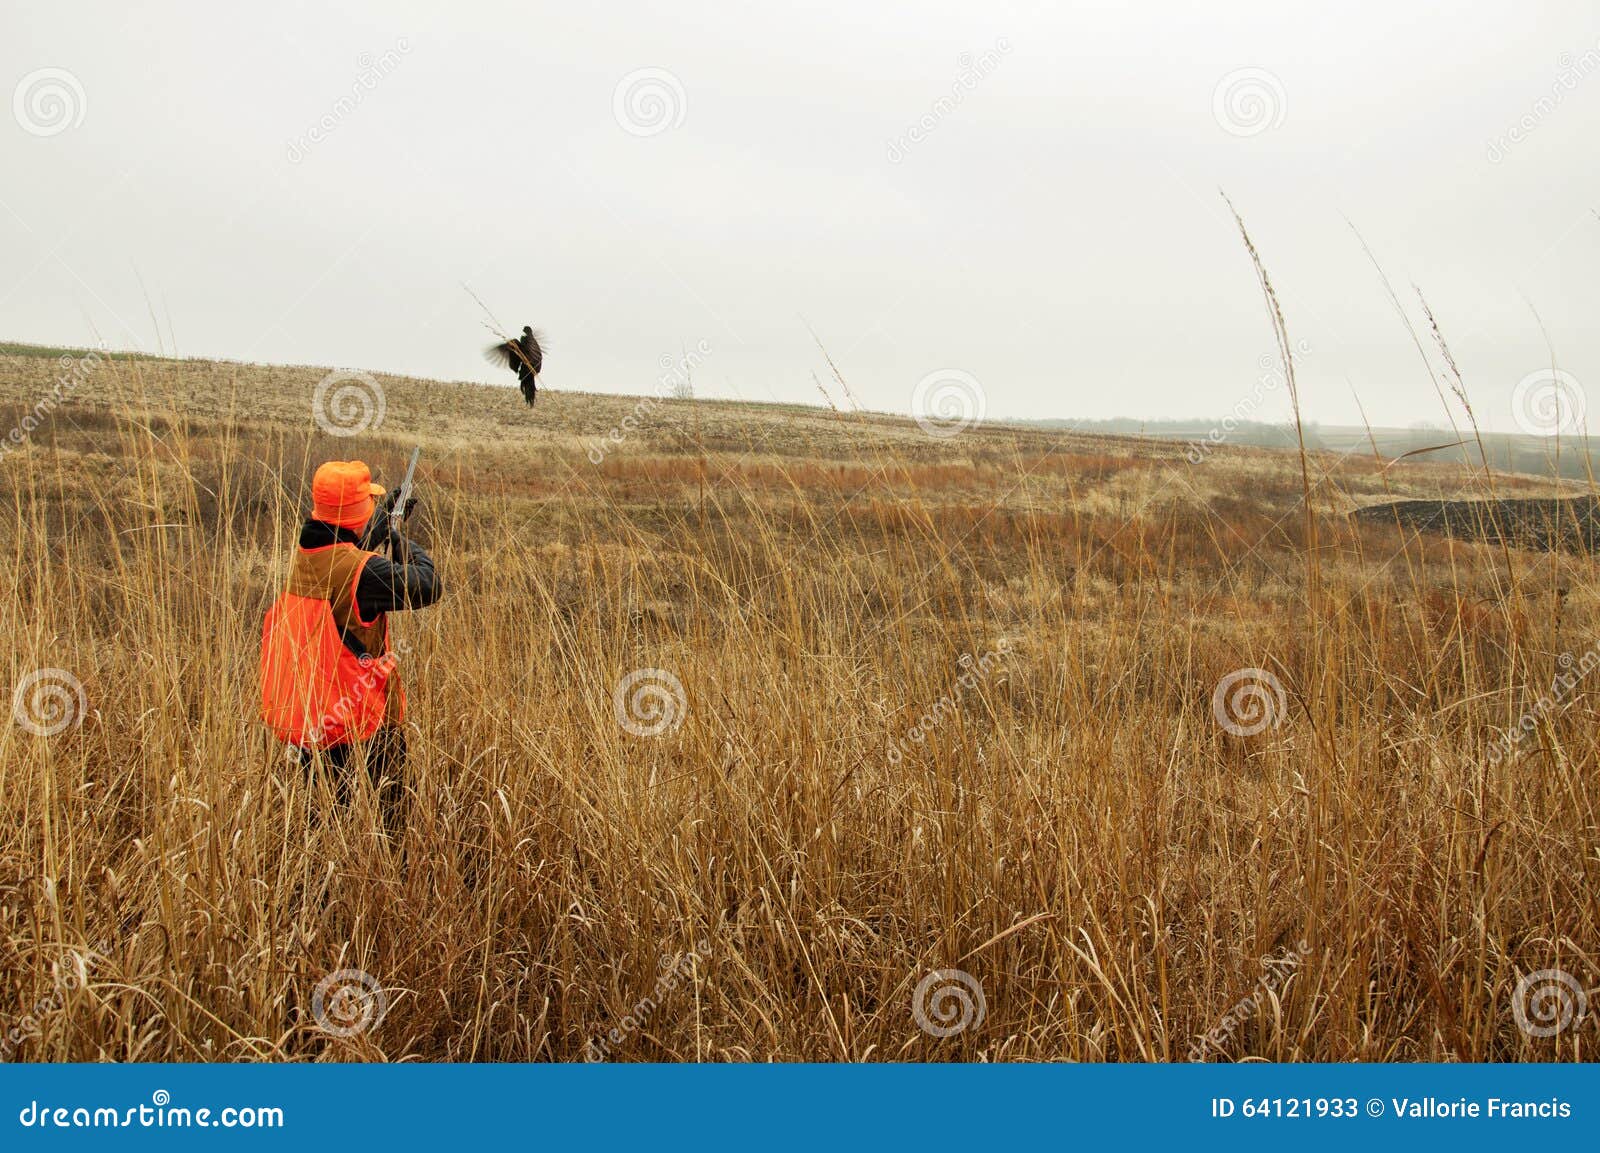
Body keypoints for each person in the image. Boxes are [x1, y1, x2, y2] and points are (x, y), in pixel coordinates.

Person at [260, 459, 441, 841]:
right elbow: (428, 585)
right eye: (368, 505)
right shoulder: (364, 574)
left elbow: (346, 554)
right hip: (361, 725)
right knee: (389, 823)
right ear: (354, 514)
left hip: (315, 718)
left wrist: (383, 521)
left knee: (324, 829)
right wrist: (398, 539)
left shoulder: (307, 557)